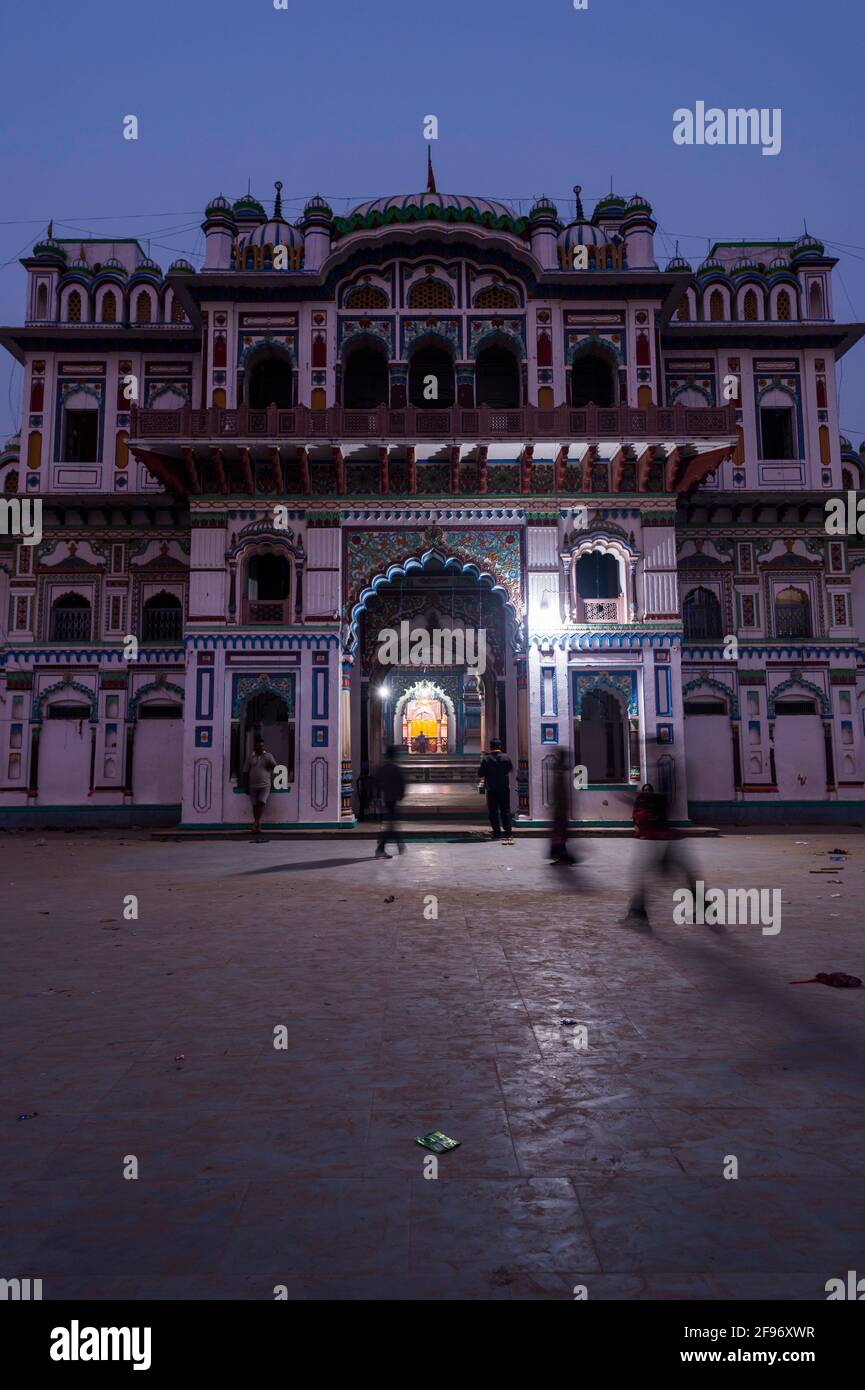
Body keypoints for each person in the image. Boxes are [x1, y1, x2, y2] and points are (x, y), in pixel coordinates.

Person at [624, 782, 712, 931]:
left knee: (642, 875)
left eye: (647, 791)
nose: (646, 794)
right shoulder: (657, 802)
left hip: (662, 843)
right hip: (665, 842)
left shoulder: (655, 803)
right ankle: (706, 910)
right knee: (685, 876)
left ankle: (638, 914)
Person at [478, 738, 514, 844]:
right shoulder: (506, 757)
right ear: (500, 746)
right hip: (504, 787)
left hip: (492, 788)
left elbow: (480, 773)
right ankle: (508, 832)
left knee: (493, 811)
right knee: (505, 810)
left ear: (491, 747)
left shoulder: (486, 759)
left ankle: (497, 833)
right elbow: (510, 769)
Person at [375, 745, 406, 857]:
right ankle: (383, 847)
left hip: (385, 799)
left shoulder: (383, 768)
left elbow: (377, 783)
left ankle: (396, 844)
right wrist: (401, 795)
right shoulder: (396, 769)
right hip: (393, 799)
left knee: (391, 824)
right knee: (391, 825)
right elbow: (402, 784)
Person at [243, 735, 276, 837]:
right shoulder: (250, 757)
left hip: (265, 785)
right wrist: (246, 786)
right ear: (255, 747)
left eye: (263, 746)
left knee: (261, 802)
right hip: (253, 785)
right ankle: (257, 823)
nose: (262, 748)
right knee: (255, 805)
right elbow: (245, 772)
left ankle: (256, 822)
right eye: (259, 746)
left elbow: (274, 765)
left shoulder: (268, 756)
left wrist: (267, 758)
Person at [549, 748, 576, 865]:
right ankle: (562, 855)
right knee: (560, 834)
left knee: (559, 834)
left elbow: (560, 793)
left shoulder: (559, 771)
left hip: (560, 809)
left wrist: (559, 809)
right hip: (560, 808)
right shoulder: (560, 770)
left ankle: (562, 855)